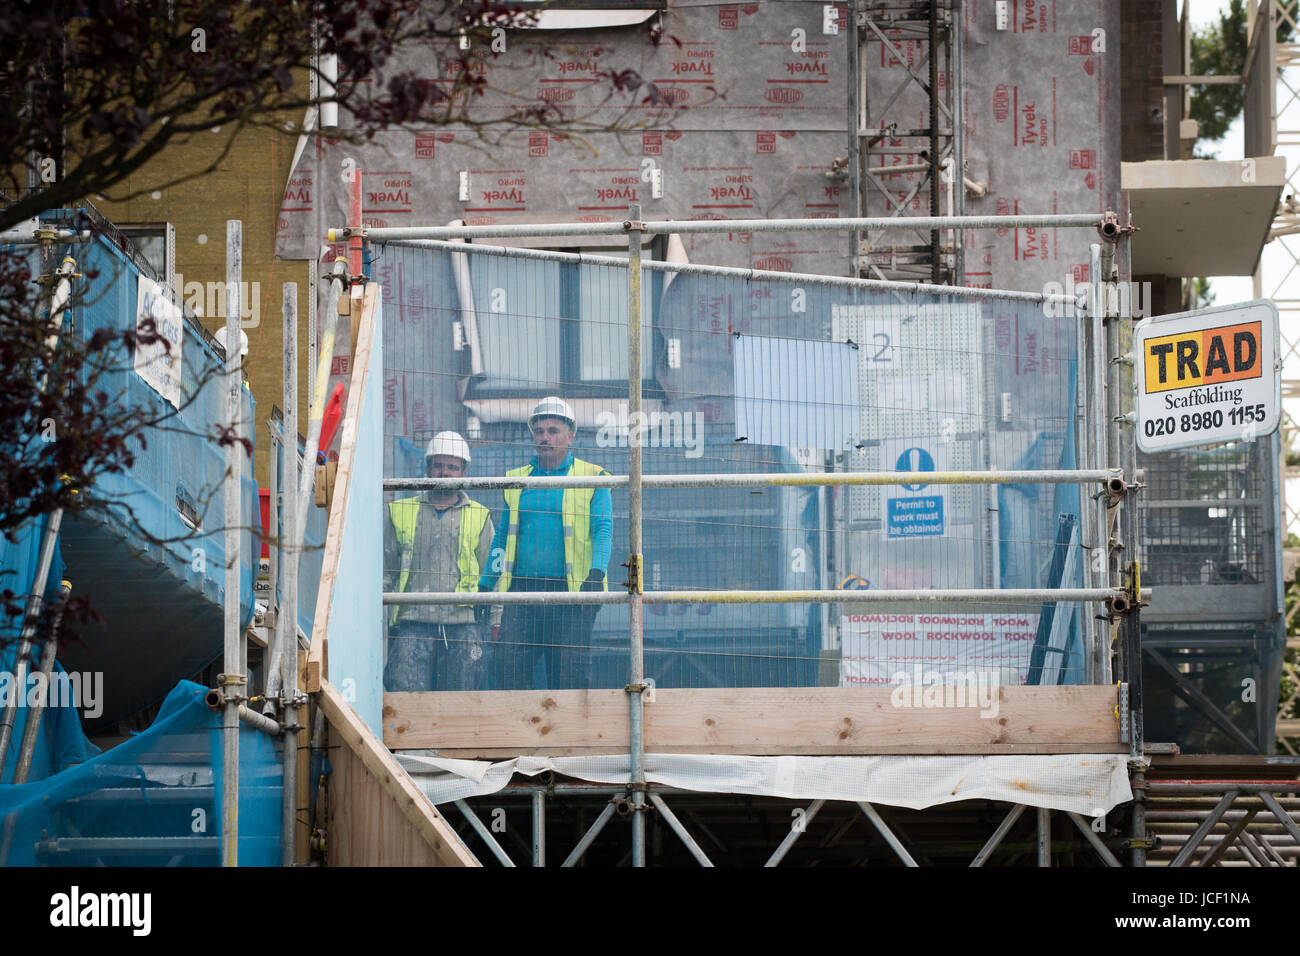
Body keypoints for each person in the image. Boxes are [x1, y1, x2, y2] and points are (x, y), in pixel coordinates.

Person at [478, 396, 612, 690]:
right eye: (539, 431)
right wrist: (486, 583)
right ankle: (521, 735)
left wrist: (596, 574)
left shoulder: (593, 477)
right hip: (523, 592)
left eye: (552, 431)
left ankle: (571, 737)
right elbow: (502, 535)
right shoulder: (516, 480)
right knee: (508, 669)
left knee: (569, 677)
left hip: (573, 593)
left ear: (570, 435)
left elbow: (603, 527)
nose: (544, 437)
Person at [384, 431, 495, 691]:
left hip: (463, 625)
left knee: (460, 701)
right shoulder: (401, 511)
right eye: (439, 465)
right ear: (428, 468)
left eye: (452, 467)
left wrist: (495, 621)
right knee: (407, 699)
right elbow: (386, 572)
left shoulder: (481, 516)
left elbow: (490, 576)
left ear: (463, 473)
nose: (445, 472)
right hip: (412, 621)